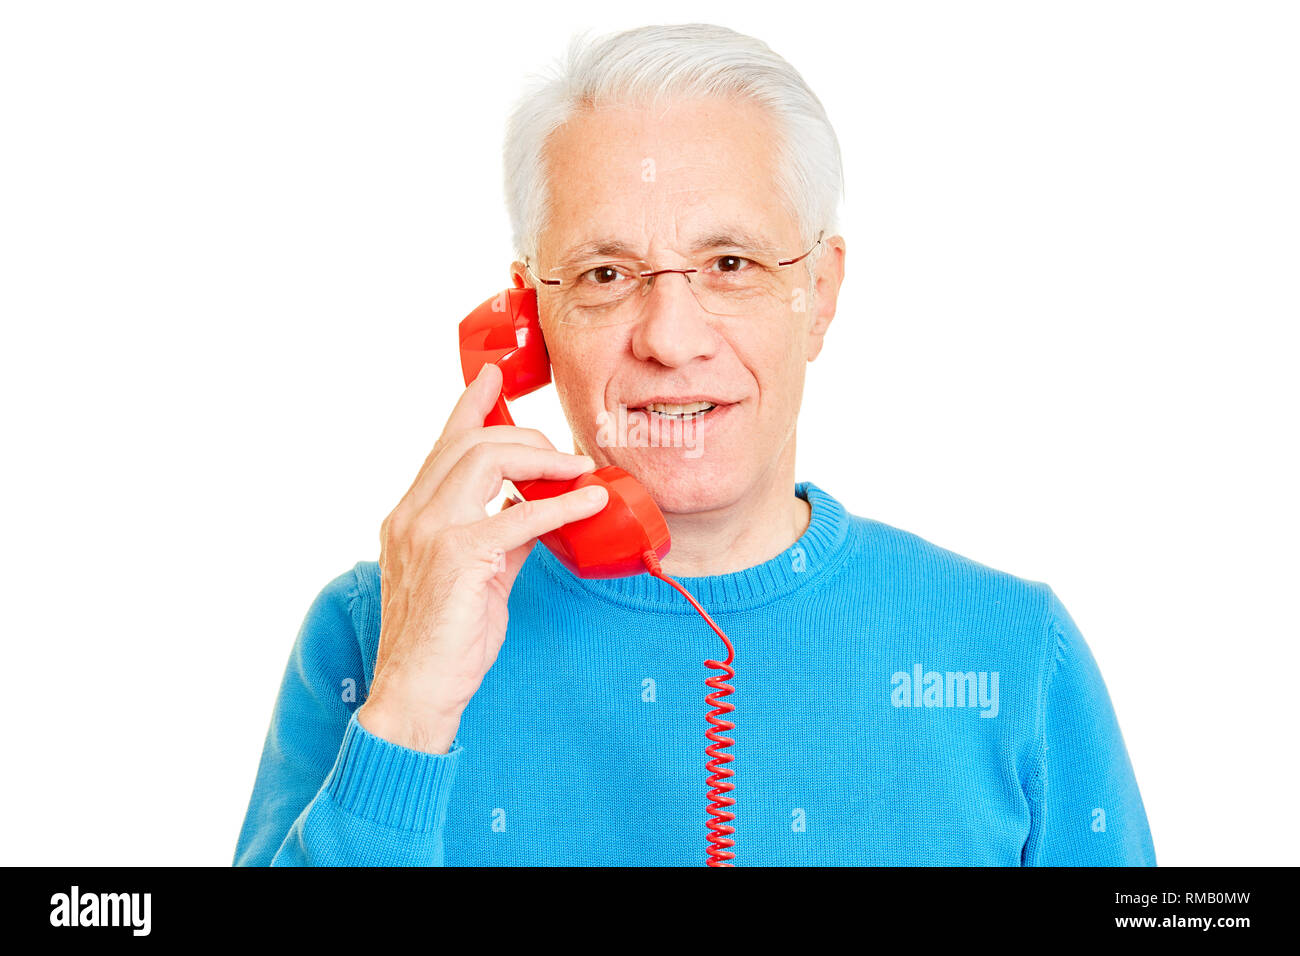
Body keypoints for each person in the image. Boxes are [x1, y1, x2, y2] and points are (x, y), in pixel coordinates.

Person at [233, 22, 1156, 866]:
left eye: (730, 264)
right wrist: (406, 717)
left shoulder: (1011, 651)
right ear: (531, 318)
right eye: (605, 273)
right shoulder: (373, 633)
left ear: (821, 292)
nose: (670, 338)